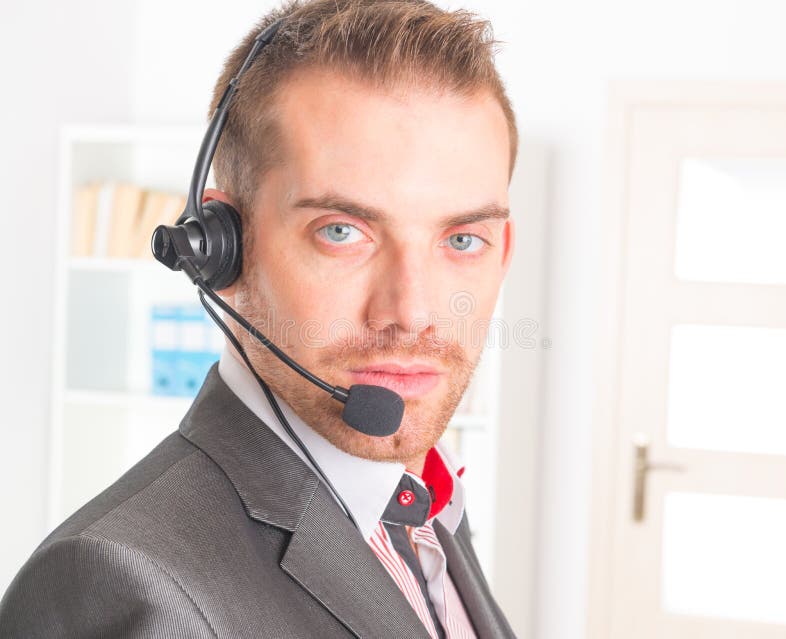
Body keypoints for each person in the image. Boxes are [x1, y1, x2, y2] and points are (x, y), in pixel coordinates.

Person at [0, 0, 517, 636]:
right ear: (222, 247)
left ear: (504, 253)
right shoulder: (122, 583)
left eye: (462, 240)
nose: (411, 313)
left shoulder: (424, 507)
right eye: (341, 231)